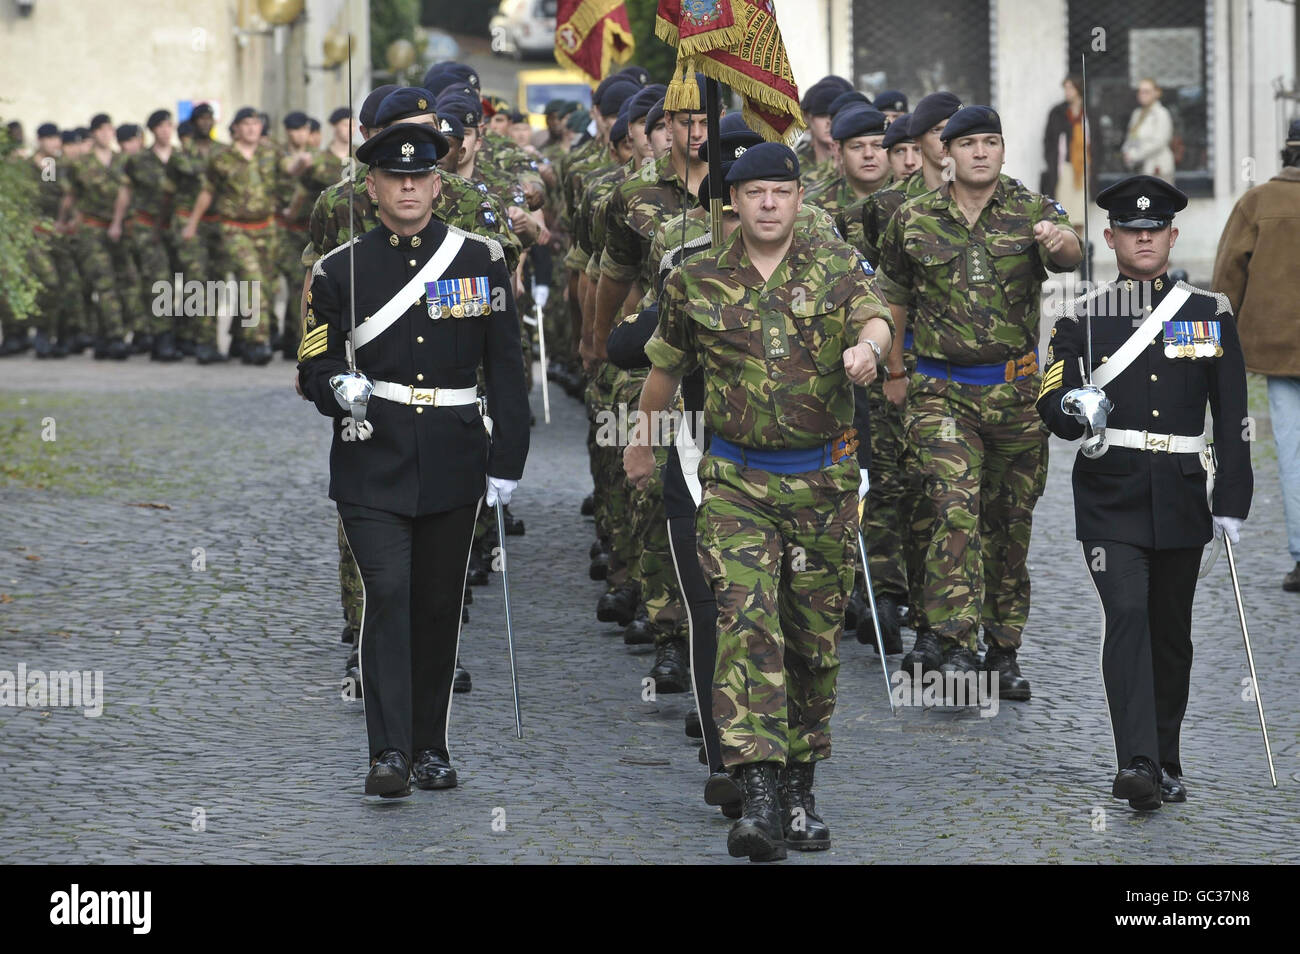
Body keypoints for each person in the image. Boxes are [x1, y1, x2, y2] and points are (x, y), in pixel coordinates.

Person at [626, 143, 893, 862]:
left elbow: (878, 320)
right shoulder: (695, 279)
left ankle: (802, 786)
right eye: (755, 193)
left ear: (800, 197)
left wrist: (869, 350)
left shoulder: (835, 268)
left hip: (823, 485)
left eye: (781, 190)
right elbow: (663, 369)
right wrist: (642, 444)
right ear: (732, 205)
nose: (769, 203)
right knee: (747, 625)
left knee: (811, 636)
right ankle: (760, 791)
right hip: (737, 484)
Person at [297, 122, 530, 796]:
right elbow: (316, 360)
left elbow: (506, 366)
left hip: (456, 450)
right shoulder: (338, 268)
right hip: (373, 454)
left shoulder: (479, 260)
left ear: (437, 184)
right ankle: (388, 753)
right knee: (389, 593)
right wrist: (334, 387)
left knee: (436, 603)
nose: (408, 186)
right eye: (394, 177)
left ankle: (432, 745)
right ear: (371, 188)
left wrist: (508, 457)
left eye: (420, 176)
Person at [1037, 174, 1252, 809]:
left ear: (1172, 236)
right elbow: (1052, 395)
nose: (1144, 237)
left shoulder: (1209, 313)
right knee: (1127, 614)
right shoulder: (1080, 317)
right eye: (1132, 230)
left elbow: (1233, 413)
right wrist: (1074, 411)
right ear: (1111, 237)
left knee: (1171, 632)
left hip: (1184, 491)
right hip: (1111, 495)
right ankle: (1136, 762)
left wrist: (1232, 501)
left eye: (1154, 229)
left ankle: (1166, 755)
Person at [876, 105, 1082, 698]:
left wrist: (1058, 239)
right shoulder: (914, 218)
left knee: (1009, 522)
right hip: (941, 391)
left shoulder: (1028, 209)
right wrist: (894, 369)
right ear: (948, 153)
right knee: (954, 507)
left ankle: (1003, 648)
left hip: (1017, 392)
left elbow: (1072, 254)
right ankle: (956, 644)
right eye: (969, 144)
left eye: (993, 141)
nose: (982, 152)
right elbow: (892, 297)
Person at [1212, 119, 1300, 592]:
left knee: (1293, 454)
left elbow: (1227, 279)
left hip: (1278, 351)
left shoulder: (1257, 202)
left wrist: (1217, 347)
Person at [182, 105, 282, 364]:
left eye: (256, 123)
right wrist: (192, 223)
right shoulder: (222, 158)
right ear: (235, 129)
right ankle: (255, 342)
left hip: (266, 229)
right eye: (246, 123)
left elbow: (291, 172)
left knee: (263, 287)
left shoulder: (271, 153)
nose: (252, 128)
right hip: (232, 228)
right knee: (250, 279)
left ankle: (244, 339)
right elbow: (207, 192)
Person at [1041, 74, 1092, 231]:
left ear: (1078, 89)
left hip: (1083, 168)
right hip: (1065, 167)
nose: (1067, 91)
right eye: (1066, 88)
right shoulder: (1058, 112)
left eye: (1070, 87)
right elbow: (1049, 140)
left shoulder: (1088, 112)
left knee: (1080, 213)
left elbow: (1095, 141)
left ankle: (1079, 248)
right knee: (1063, 212)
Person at [1121, 78, 1175, 182]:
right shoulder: (1137, 114)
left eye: (1146, 92)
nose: (1142, 95)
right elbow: (1132, 136)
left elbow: (1159, 142)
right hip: (1141, 169)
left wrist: (1135, 155)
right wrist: (1127, 152)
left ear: (1156, 93)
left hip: (1158, 169)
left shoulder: (1161, 113)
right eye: (1140, 91)